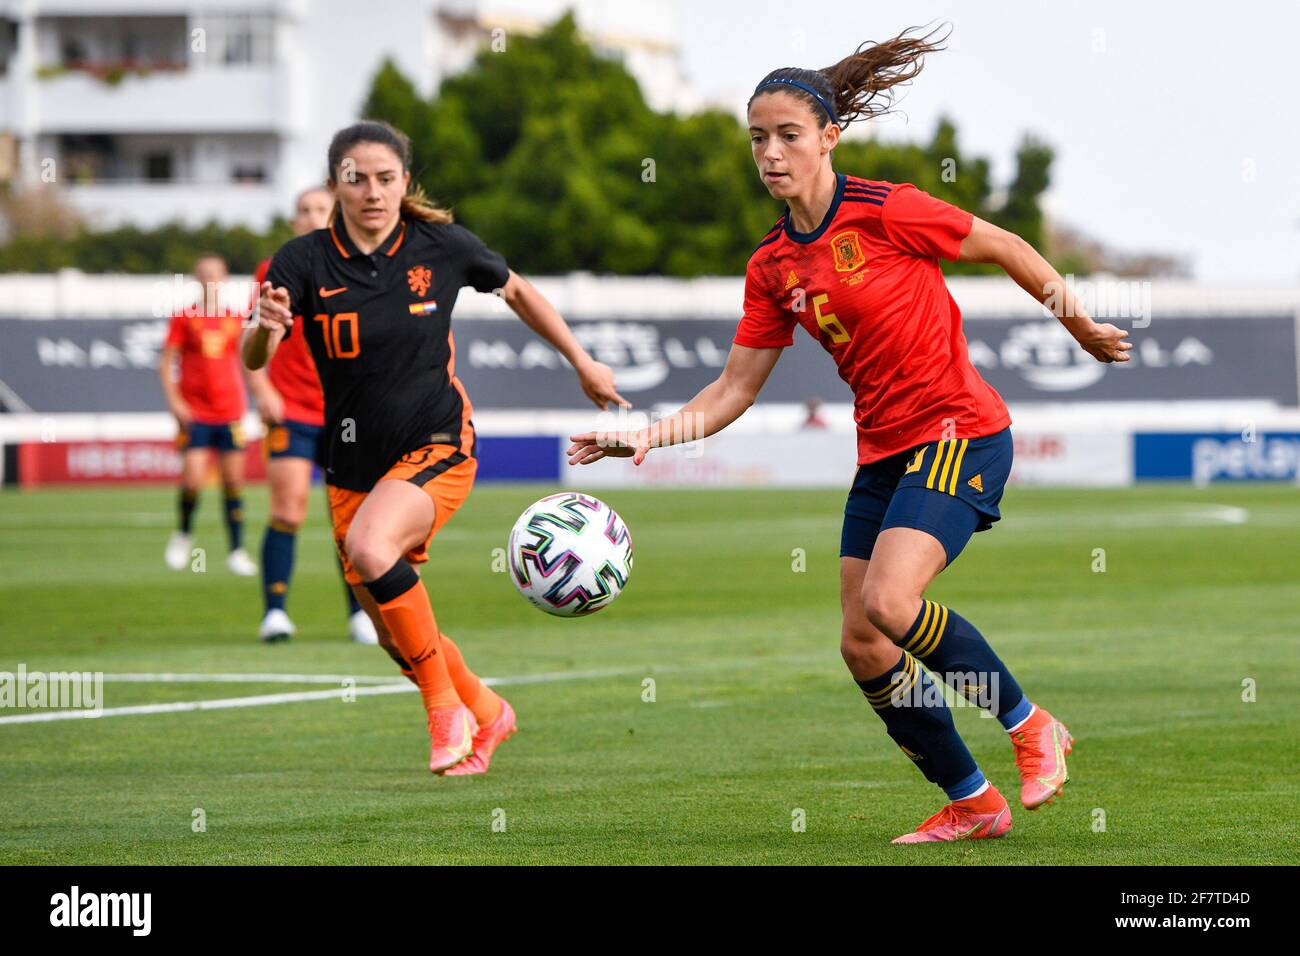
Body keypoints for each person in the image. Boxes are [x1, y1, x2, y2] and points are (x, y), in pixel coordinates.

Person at [567, 26, 1131, 843]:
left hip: (960, 430)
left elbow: (1005, 245)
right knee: (864, 643)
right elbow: (734, 389)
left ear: (829, 137)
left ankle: (1031, 724)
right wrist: (650, 435)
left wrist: (1080, 326)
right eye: (757, 138)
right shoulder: (771, 266)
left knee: (890, 602)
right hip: (886, 453)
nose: (770, 153)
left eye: (788, 135)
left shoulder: (887, 209)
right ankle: (974, 802)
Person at [245, 120, 627, 775]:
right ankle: (488, 711)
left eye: (385, 178)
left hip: (438, 443)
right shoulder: (301, 261)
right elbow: (257, 355)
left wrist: (583, 361)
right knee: (394, 635)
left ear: (404, 182)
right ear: (335, 184)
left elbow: (516, 290)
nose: (372, 192)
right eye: (356, 179)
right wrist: (262, 326)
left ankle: (444, 710)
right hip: (351, 463)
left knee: (371, 548)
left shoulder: (440, 247)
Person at [246, 186, 379, 645]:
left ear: (336, 216)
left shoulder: (361, 269)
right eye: (303, 210)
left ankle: (360, 614)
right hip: (292, 409)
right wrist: (262, 388)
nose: (311, 216)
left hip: (347, 413)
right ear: (293, 221)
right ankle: (275, 613)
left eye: (321, 209)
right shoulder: (274, 270)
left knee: (352, 518)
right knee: (288, 510)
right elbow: (252, 336)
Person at [161, 253, 258, 577]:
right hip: (196, 413)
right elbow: (166, 363)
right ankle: (183, 535)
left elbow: (248, 363)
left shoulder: (236, 318)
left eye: (215, 273)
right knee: (192, 480)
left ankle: (237, 550)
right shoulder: (185, 318)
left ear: (225, 278)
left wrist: (259, 396)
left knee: (233, 483)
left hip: (230, 412)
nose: (210, 279)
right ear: (196, 278)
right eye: (204, 273)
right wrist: (175, 401)